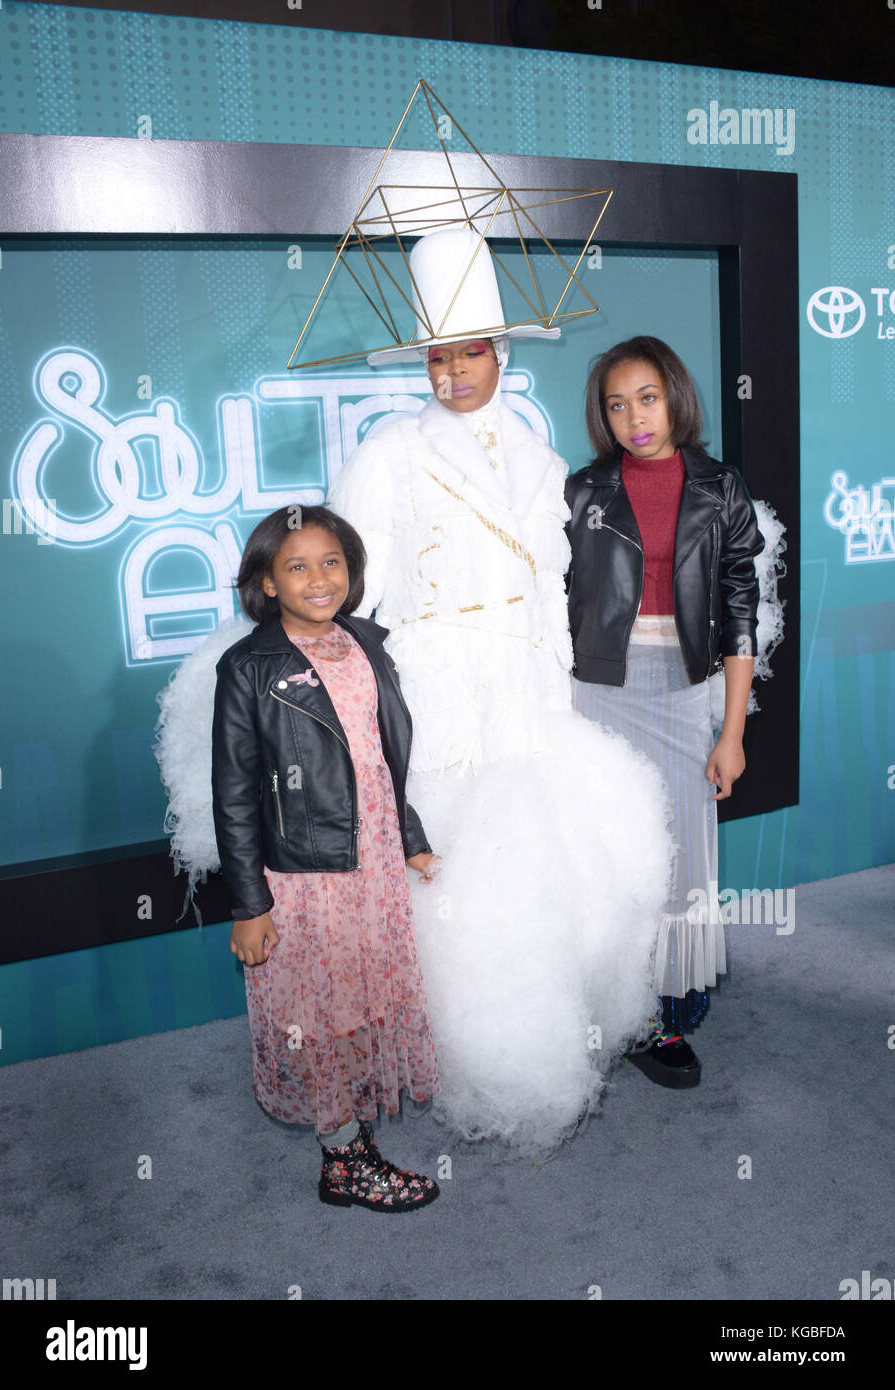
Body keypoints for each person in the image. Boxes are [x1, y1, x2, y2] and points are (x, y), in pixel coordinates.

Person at [326, 227, 673, 1156]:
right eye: (436, 356)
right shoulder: (388, 452)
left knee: (540, 869)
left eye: (468, 352)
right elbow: (350, 594)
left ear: (500, 352)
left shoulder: (537, 455)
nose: (451, 373)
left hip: (526, 687)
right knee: (450, 875)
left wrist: (559, 692)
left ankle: (551, 1038)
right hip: (440, 686)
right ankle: (463, 1059)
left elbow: (556, 591)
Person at [211, 503, 442, 1210]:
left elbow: (378, 759)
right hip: (304, 873)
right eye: (297, 566)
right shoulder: (250, 666)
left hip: (370, 860)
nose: (319, 578)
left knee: (363, 1000)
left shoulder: (367, 641)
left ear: (352, 568)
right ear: (268, 583)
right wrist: (250, 905)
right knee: (320, 1010)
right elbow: (235, 794)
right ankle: (343, 1157)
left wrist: (407, 834)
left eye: (331, 561)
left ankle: (351, 1140)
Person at [565, 336, 765, 1088]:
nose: (633, 417)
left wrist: (732, 731)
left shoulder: (720, 488)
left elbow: (739, 612)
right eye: (615, 405)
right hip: (597, 690)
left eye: (645, 397)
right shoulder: (581, 492)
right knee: (607, 856)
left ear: (674, 396)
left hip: (683, 689)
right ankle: (608, 1005)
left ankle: (664, 1019)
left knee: (681, 858)